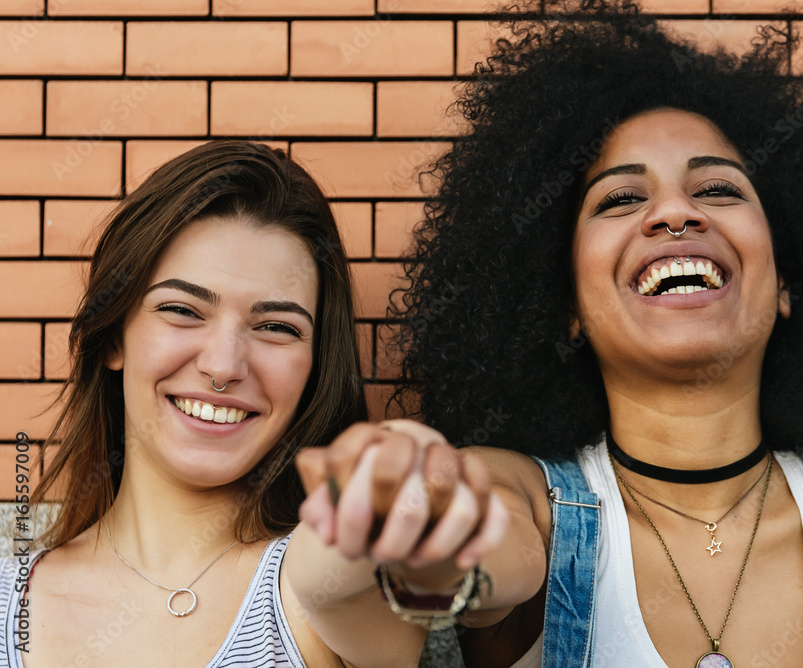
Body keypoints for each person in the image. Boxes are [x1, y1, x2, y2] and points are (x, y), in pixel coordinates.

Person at [302, 2, 803, 666]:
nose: (675, 212)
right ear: (565, 304)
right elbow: (491, 542)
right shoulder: (531, 504)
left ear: (785, 285)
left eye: (718, 190)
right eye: (622, 198)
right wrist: (434, 527)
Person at [0, 140, 506, 668]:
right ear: (112, 338)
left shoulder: (323, 591)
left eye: (276, 327)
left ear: (315, 366)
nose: (223, 366)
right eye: (182, 310)